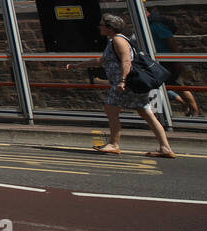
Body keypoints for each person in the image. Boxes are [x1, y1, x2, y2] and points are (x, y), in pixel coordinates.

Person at [70, 13, 174, 158]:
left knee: (111, 108)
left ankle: (113, 144)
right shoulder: (114, 41)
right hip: (131, 84)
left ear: (109, 28)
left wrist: (123, 80)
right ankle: (165, 148)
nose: (99, 27)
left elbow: (126, 61)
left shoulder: (118, 40)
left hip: (126, 84)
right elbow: (101, 60)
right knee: (146, 112)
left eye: (101, 24)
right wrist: (78, 65)